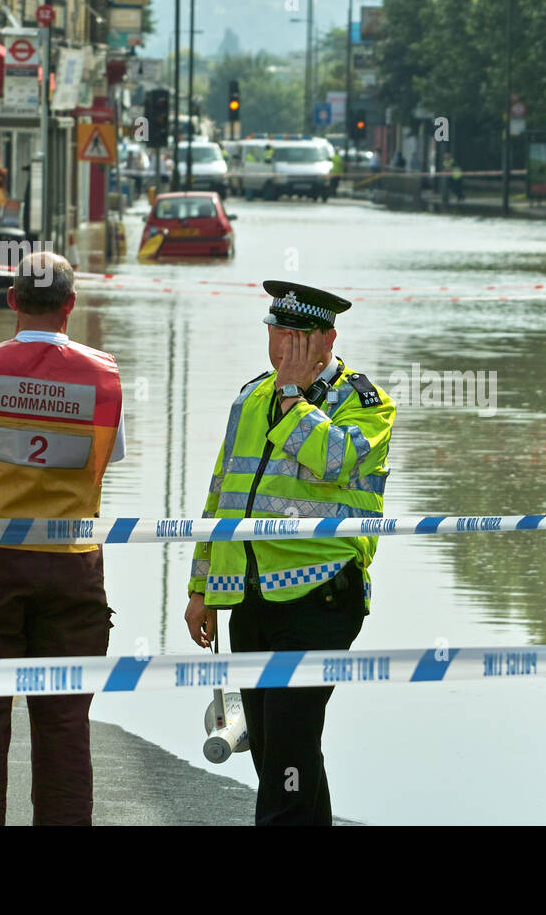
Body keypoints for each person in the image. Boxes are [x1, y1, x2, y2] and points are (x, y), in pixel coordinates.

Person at [184, 281, 395, 825]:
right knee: (279, 752)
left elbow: (333, 460)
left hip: (319, 598)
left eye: (298, 337)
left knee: (289, 750)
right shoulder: (249, 396)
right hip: (250, 601)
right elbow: (220, 497)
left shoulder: (365, 402)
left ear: (327, 338)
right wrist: (200, 588)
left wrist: (293, 398)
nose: (283, 347)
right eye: (277, 332)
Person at [0, 252, 126, 826]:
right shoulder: (105, 377)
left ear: (12, 300)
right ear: (71, 304)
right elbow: (107, 457)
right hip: (71, 566)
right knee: (65, 721)